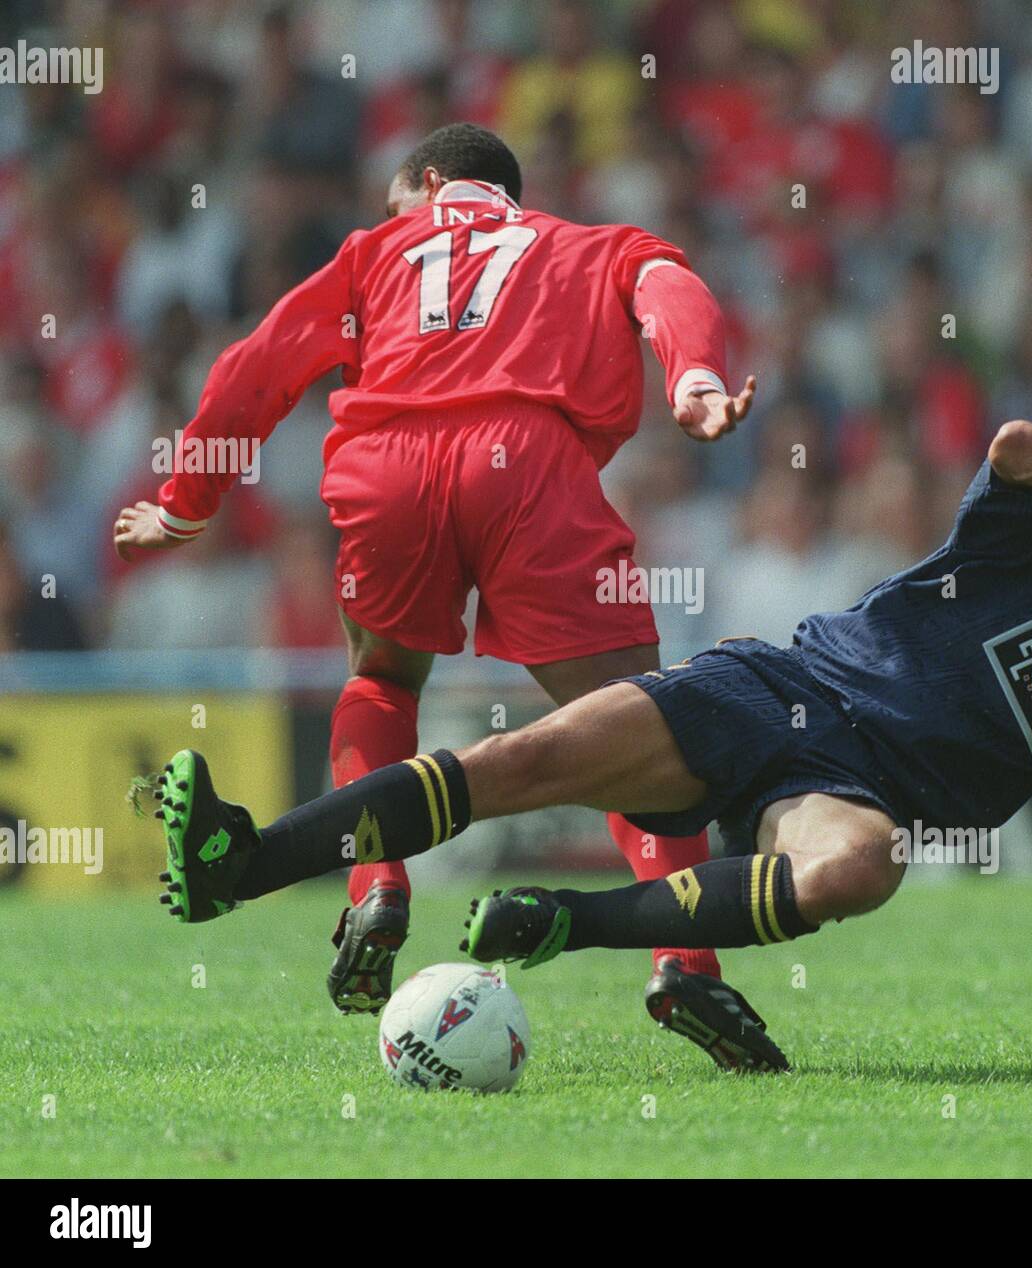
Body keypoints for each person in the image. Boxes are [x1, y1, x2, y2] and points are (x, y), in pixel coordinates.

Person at [141, 422, 1032, 1073]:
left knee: (862, 866)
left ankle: (570, 920)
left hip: (848, 789)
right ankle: (236, 863)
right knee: (523, 761)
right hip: (778, 687)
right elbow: (1020, 440)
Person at [114, 123, 771, 1071]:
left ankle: (375, 888)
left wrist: (183, 505)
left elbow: (253, 366)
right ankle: (685, 960)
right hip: (529, 468)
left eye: (394, 205)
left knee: (381, 680)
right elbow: (671, 286)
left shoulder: (374, 251)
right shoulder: (591, 243)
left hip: (388, 466)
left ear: (428, 184)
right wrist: (696, 377)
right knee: (635, 725)